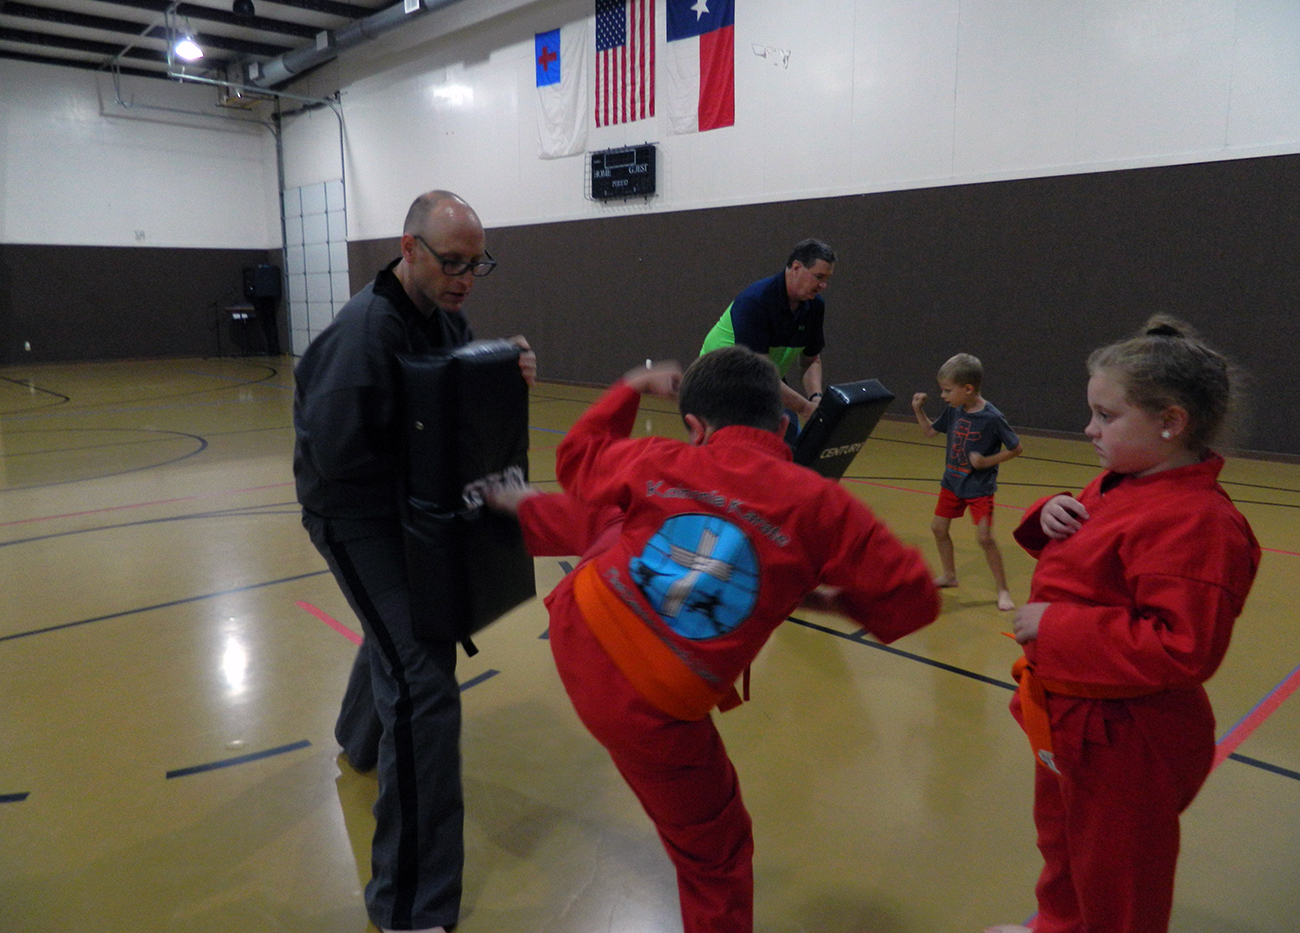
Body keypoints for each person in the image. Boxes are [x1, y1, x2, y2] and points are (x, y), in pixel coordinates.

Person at [483, 345, 939, 933]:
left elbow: (579, 459)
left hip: (579, 627)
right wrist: (828, 600)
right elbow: (914, 601)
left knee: (624, 521)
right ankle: (526, 510)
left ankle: (521, 508)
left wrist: (630, 386)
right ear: (781, 424)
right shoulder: (825, 507)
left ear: (696, 428)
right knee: (717, 857)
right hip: (651, 703)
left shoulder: (662, 457)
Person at [293, 189, 536, 933]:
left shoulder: (444, 316)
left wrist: (503, 374)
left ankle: (358, 736)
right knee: (425, 679)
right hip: (355, 515)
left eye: (476, 264)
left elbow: (454, 394)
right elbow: (335, 459)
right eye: (451, 261)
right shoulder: (361, 337)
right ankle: (409, 907)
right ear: (409, 250)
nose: (465, 277)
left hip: (412, 508)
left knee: (405, 633)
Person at [985, 317, 1260, 933]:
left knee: (1119, 875)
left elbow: (1180, 648)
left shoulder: (1198, 525)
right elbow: (1089, 564)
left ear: (1170, 422)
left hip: (1127, 740)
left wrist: (1054, 629)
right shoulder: (1124, 482)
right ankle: (1057, 925)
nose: (1089, 430)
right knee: (1063, 845)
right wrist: (1047, 514)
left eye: (1105, 416)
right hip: (1071, 718)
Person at [911, 352, 1023, 611]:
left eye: (948, 390)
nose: (943, 395)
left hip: (978, 488)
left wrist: (987, 461)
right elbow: (929, 432)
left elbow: (1016, 448)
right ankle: (949, 576)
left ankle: (1003, 589)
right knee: (938, 529)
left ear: (968, 389)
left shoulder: (992, 417)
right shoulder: (953, 410)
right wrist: (918, 410)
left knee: (984, 538)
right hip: (952, 482)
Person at [699, 239, 835, 435]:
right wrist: (805, 408)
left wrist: (816, 398)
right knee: (736, 451)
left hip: (765, 380)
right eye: (819, 276)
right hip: (722, 384)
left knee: (787, 447)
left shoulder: (814, 306)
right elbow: (758, 375)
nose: (823, 285)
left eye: (827, 279)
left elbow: (811, 360)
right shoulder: (755, 301)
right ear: (796, 267)